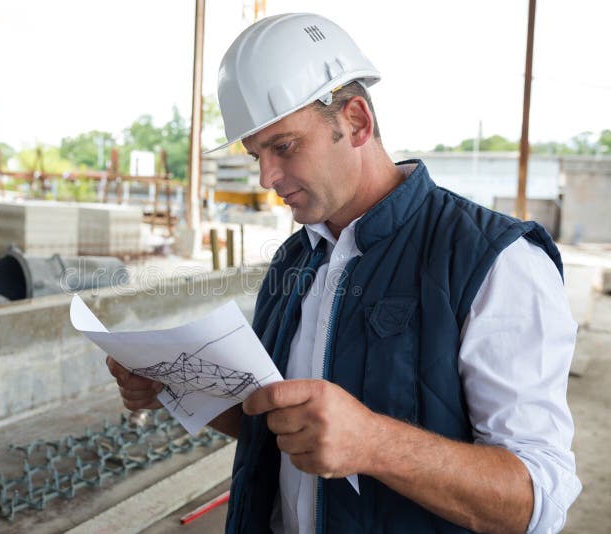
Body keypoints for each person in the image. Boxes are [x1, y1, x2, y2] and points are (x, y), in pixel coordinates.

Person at [106, 12, 580, 534]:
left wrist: (376, 444)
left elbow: (536, 501)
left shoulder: (494, 261)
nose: (267, 177)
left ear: (356, 121)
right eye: (256, 153)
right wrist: (174, 386)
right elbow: (277, 429)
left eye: (284, 146)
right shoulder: (295, 259)